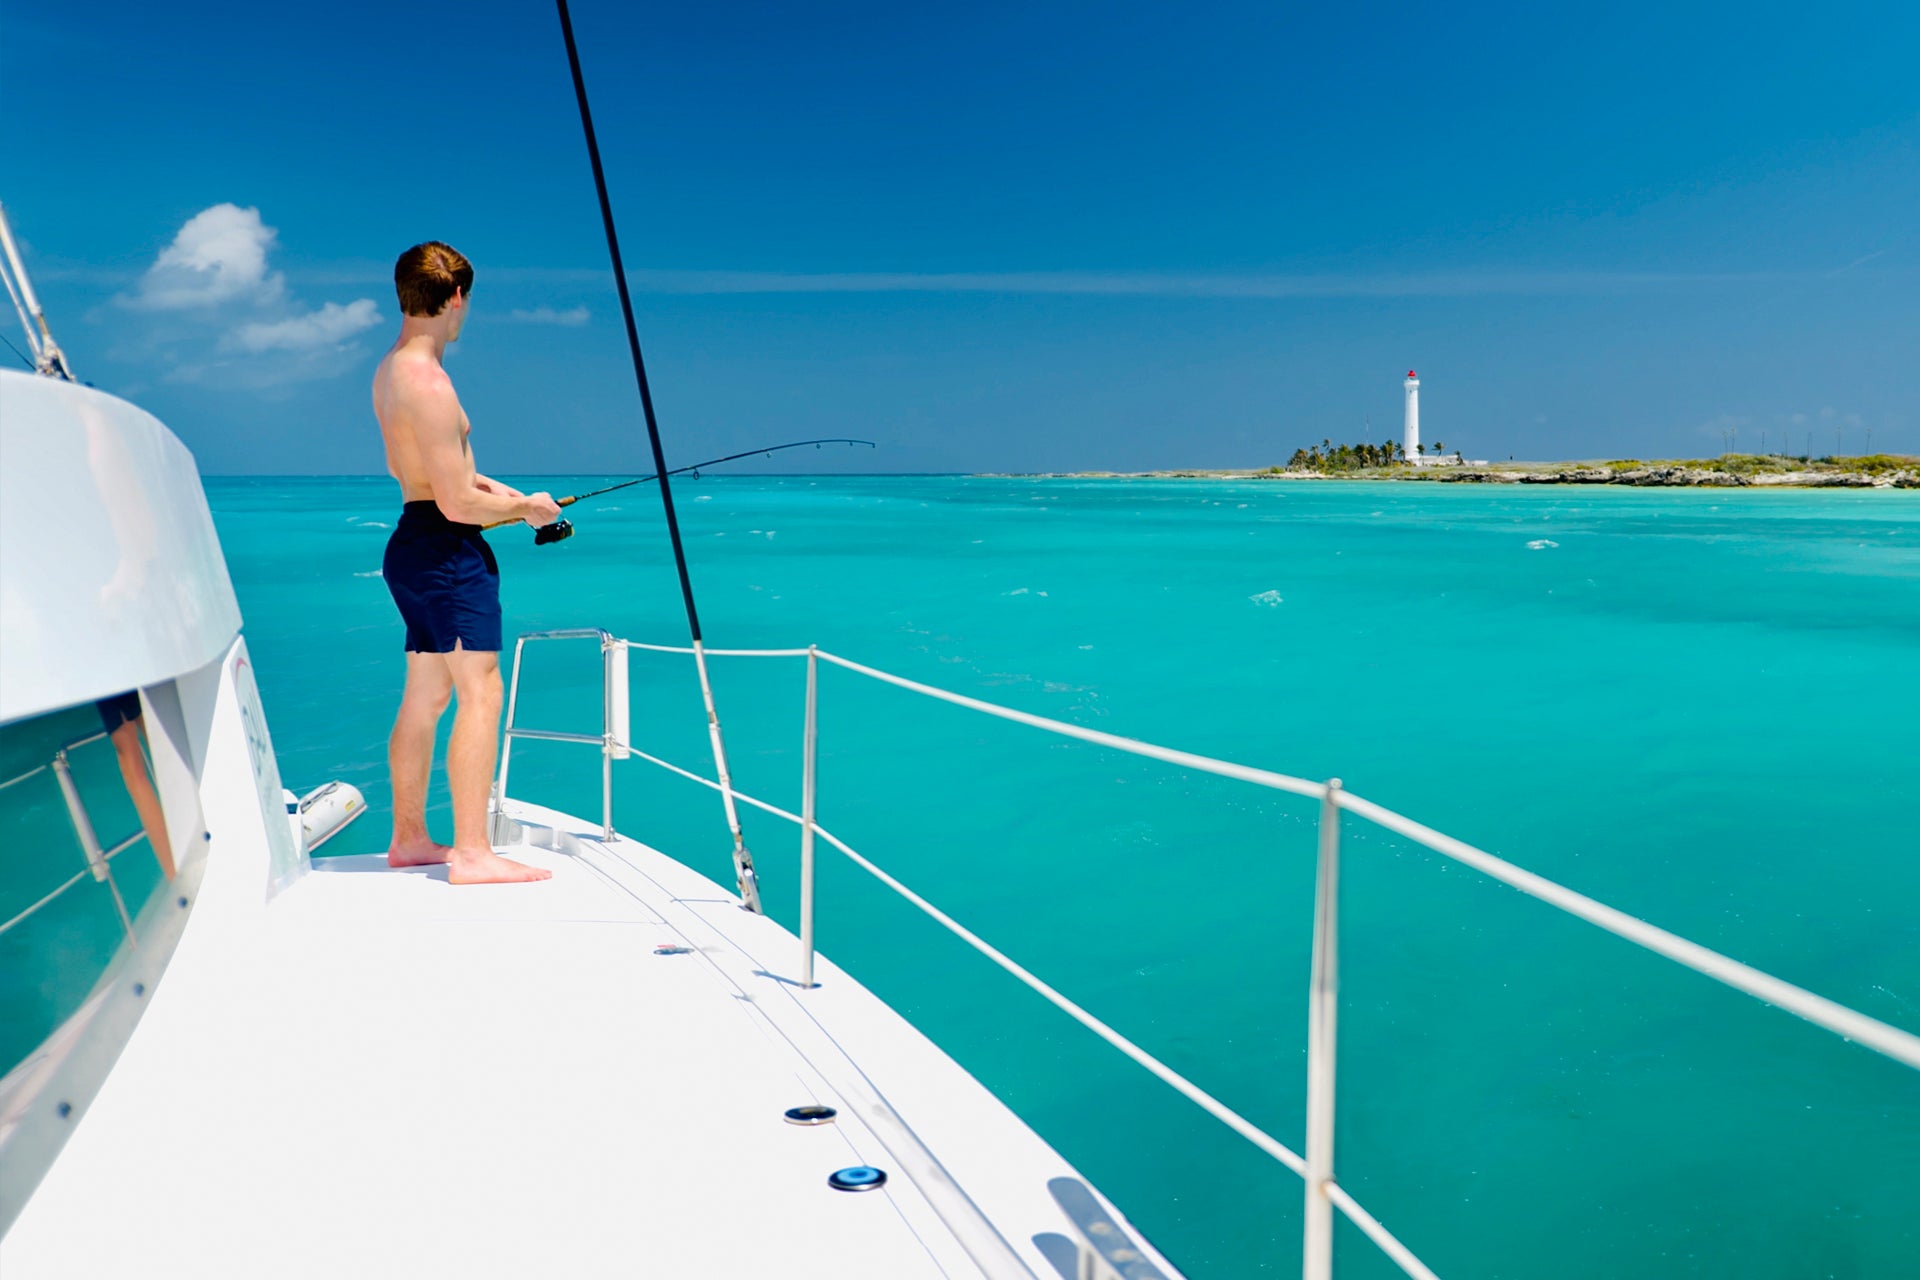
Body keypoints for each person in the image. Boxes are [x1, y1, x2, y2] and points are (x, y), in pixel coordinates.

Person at [372, 242, 560, 884]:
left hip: (413, 543)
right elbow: (455, 503)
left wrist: (512, 498)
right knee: (481, 691)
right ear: (457, 298)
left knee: (426, 694)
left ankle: (410, 840)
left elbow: (436, 475)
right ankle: (474, 852)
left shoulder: (392, 370)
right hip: (447, 553)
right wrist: (523, 511)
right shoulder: (431, 384)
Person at [95, 691, 176, 879]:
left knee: (133, 772)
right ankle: (202, 832)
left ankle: (174, 871)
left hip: (104, 671)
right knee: (163, 748)